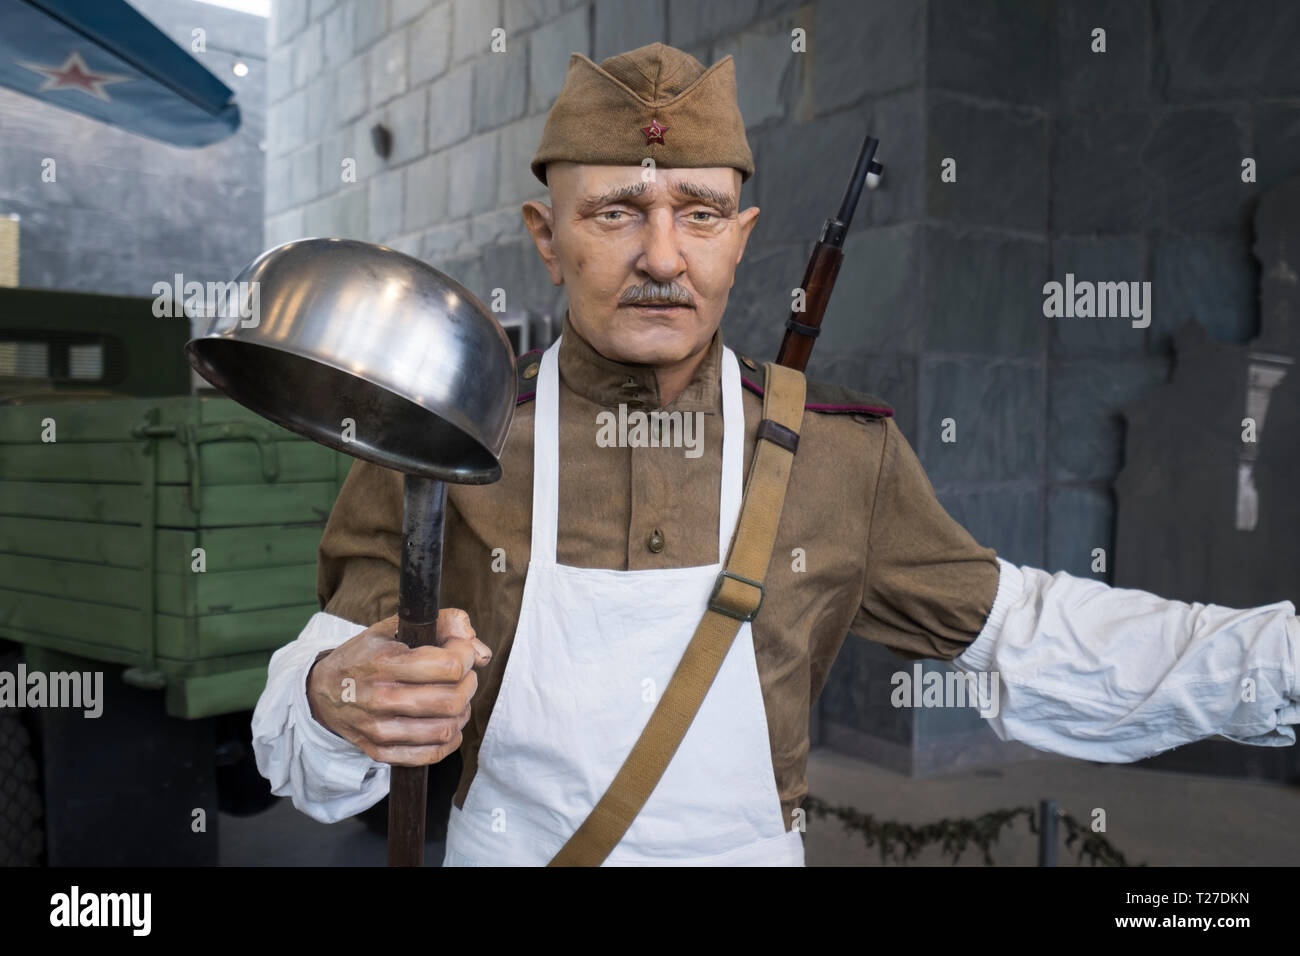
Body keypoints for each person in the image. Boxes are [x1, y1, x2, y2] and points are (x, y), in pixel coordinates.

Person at [251, 43, 1300, 866]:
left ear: (742, 233)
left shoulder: (844, 454)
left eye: (697, 212)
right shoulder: (443, 433)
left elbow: (1030, 632)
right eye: (616, 210)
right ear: (544, 231)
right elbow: (329, 665)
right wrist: (336, 693)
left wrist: (1277, 659)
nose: (661, 256)